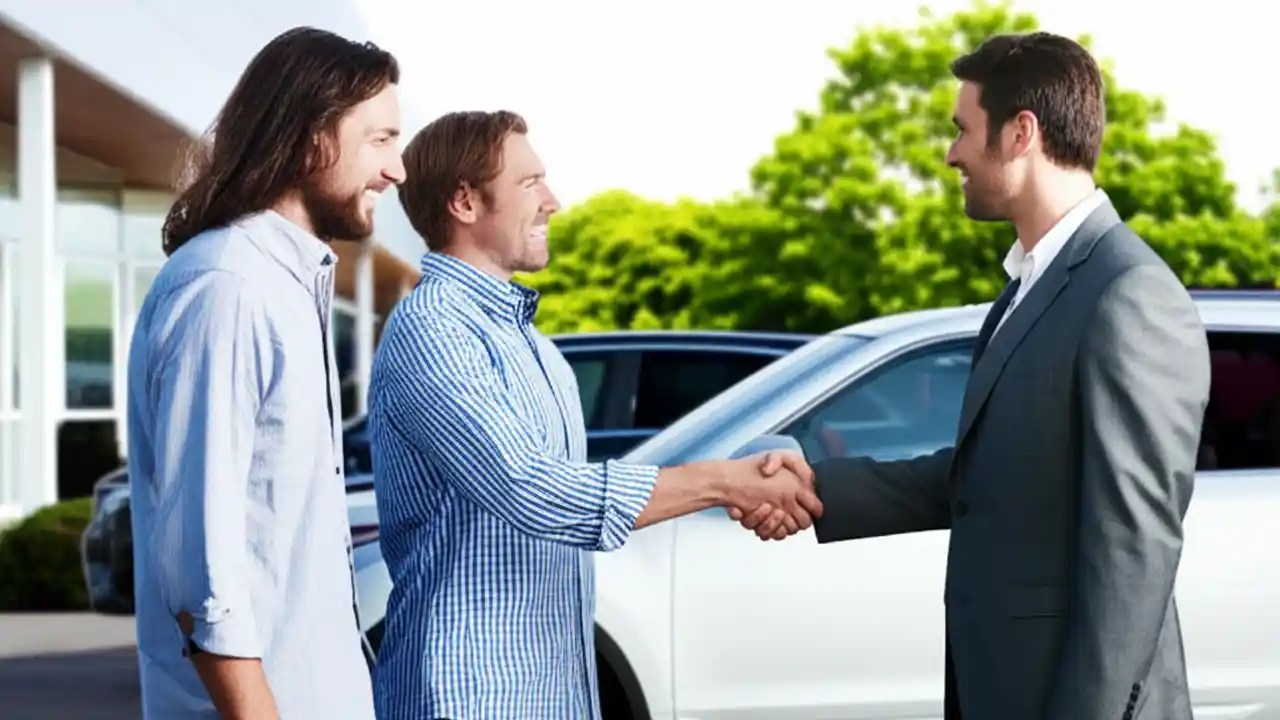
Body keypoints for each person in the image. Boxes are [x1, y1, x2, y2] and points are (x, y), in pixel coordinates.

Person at [739, 32, 1210, 720]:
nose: (951, 153)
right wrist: (816, 485)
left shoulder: (1127, 294)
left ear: (1022, 133)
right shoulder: (1029, 285)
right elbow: (987, 477)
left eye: (963, 130)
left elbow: (1134, 554)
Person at [367, 110, 821, 719]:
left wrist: (725, 483)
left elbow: (575, 492)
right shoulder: (434, 330)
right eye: (530, 184)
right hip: (470, 696)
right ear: (465, 202)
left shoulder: (535, 348)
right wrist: (723, 482)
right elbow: (533, 491)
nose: (552, 201)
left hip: (548, 692)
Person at [125, 27, 405, 719]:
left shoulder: (282, 284)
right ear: (312, 138)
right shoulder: (230, 288)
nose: (398, 169)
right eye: (380, 140)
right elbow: (201, 578)